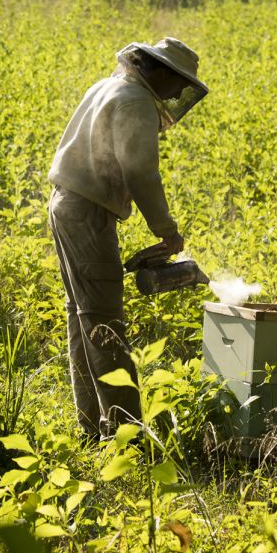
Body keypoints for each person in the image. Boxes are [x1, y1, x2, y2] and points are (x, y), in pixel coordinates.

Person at [48, 37, 208, 440]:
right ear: (159, 71)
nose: (177, 92)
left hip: (68, 205)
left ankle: (93, 427)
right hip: (85, 214)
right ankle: (125, 436)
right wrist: (167, 233)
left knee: (83, 315)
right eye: (177, 82)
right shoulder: (135, 101)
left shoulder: (106, 86)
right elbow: (141, 173)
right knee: (105, 322)